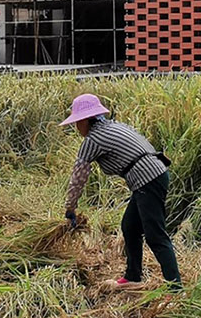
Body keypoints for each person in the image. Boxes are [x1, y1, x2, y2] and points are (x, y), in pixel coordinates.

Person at [61, 94, 181, 289]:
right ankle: (133, 276)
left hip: (147, 179)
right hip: (153, 175)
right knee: (130, 226)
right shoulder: (114, 126)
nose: (76, 128)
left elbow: (78, 177)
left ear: (84, 120)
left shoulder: (93, 139)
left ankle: (176, 289)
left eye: (77, 123)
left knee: (155, 235)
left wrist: (70, 208)